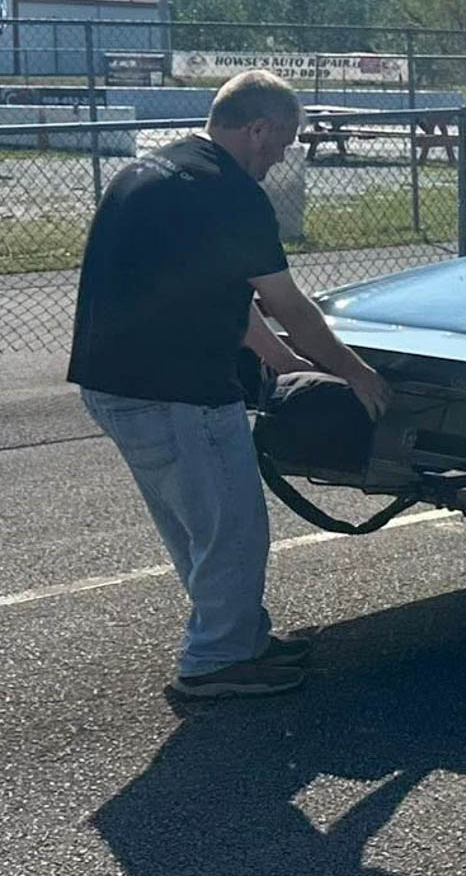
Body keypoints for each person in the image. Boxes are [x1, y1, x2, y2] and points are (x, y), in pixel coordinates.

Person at [68, 70, 392, 700]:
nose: (280, 159)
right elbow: (287, 303)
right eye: (282, 144)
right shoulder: (230, 193)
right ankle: (216, 659)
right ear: (258, 129)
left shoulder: (155, 170)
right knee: (233, 527)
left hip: (113, 383)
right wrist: (357, 373)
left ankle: (237, 638)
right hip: (175, 389)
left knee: (200, 525)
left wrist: (278, 359)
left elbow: (219, 287)